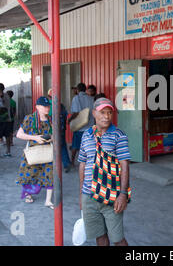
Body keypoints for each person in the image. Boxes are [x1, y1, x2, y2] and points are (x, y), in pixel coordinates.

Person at [78, 97, 131, 246]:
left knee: (118, 239)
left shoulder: (118, 135)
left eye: (109, 113)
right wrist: (81, 193)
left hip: (112, 196)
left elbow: (125, 165)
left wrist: (123, 194)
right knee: (99, 236)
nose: (106, 116)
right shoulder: (86, 135)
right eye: (102, 112)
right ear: (94, 113)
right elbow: (82, 164)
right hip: (88, 195)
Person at [15, 96, 54, 209]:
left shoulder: (51, 119)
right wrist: (35, 138)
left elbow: (55, 135)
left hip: (47, 151)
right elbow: (19, 134)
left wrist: (51, 138)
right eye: (44, 106)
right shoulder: (30, 119)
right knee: (30, 173)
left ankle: (48, 200)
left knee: (49, 175)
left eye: (48, 106)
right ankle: (28, 194)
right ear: (37, 107)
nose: (47, 108)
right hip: (33, 151)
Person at [68, 83, 94, 166]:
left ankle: (72, 162)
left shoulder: (76, 98)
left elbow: (76, 112)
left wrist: (70, 119)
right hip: (90, 126)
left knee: (75, 145)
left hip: (80, 127)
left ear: (78, 90)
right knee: (88, 145)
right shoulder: (91, 98)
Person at [47, 88, 71, 173]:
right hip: (61, 129)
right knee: (63, 146)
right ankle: (66, 164)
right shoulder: (61, 105)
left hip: (51, 130)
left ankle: (52, 166)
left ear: (48, 96)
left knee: (51, 147)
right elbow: (66, 115)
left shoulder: (48, 105)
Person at [0, 83, 12, 157]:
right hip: (8, 118)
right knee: (7, 135)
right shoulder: (7, 96)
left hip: (1, 119)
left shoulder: (0, 95)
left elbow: (2, 107)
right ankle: (8, 151)